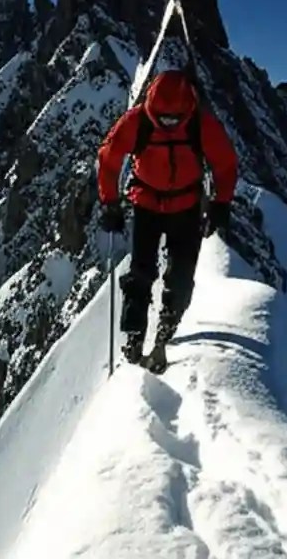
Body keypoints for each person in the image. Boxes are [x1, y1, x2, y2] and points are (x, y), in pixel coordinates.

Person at [96, 69, 239, 370]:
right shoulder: (138, 122)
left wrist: (221, 203)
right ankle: (135, 335)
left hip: (185, 208)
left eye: (176, 119)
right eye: (164, 118)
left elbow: (225, 164)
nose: (170, 124)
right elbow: (108, 159)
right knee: (141, 273)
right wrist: (110, 203)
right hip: (148, 205)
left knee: (181, 276)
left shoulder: (200, 123)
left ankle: (168, 324)